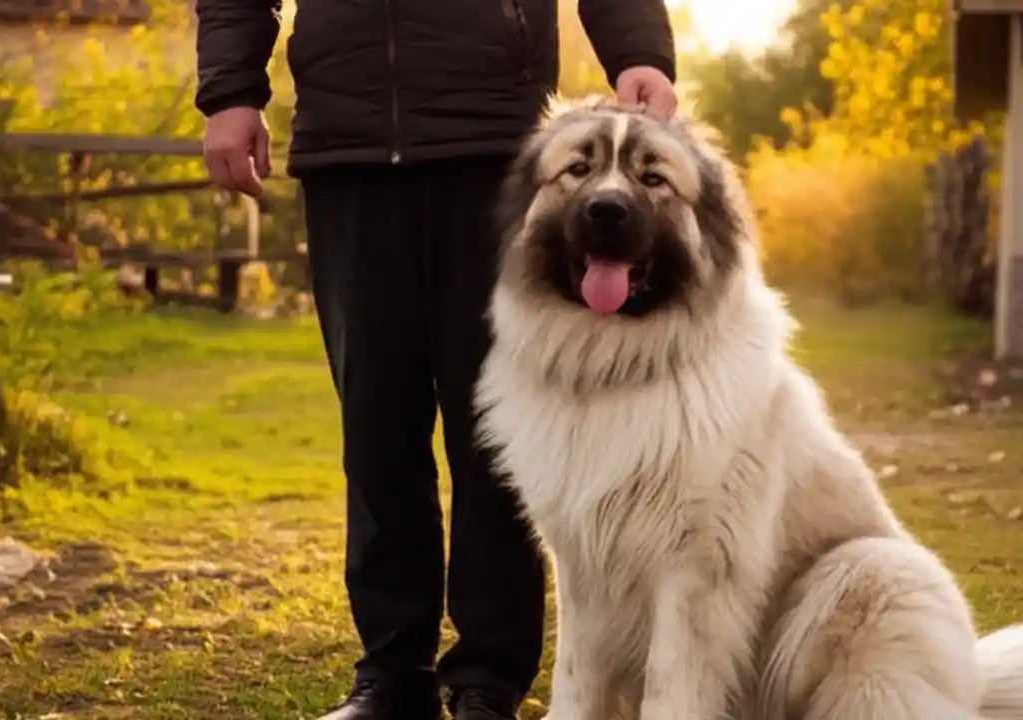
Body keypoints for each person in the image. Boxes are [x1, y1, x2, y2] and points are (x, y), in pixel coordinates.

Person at [193, 2, 677, 718]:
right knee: (376, 422)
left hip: (492, 148)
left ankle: (489, 677)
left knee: (497, 427)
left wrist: (638, 51)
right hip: (348, 147)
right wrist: (231, 91)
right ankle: (391, 672)